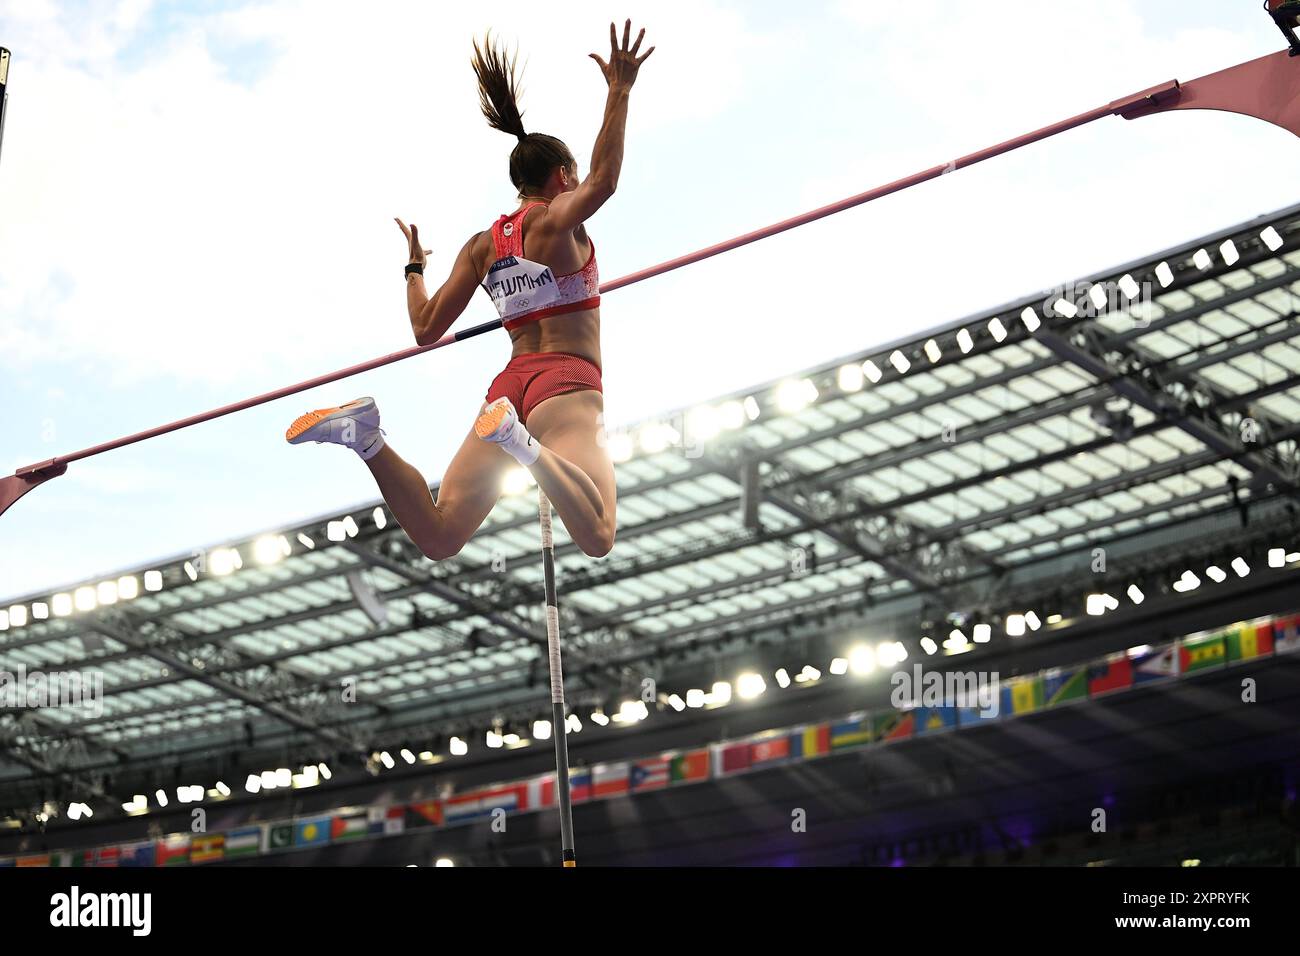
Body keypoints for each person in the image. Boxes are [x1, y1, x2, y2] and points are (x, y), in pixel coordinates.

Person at [285, 21, 654, 560]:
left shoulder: (484, 246)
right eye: (572, 176)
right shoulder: (556, 221)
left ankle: (367, 438)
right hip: (566, 381)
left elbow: (425, 329)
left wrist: (413, 268)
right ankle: (520, 445)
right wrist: (619, 92)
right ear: (562, 175)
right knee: (598, 535)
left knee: (439, 536)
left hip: (510, 386)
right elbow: (605, 181)